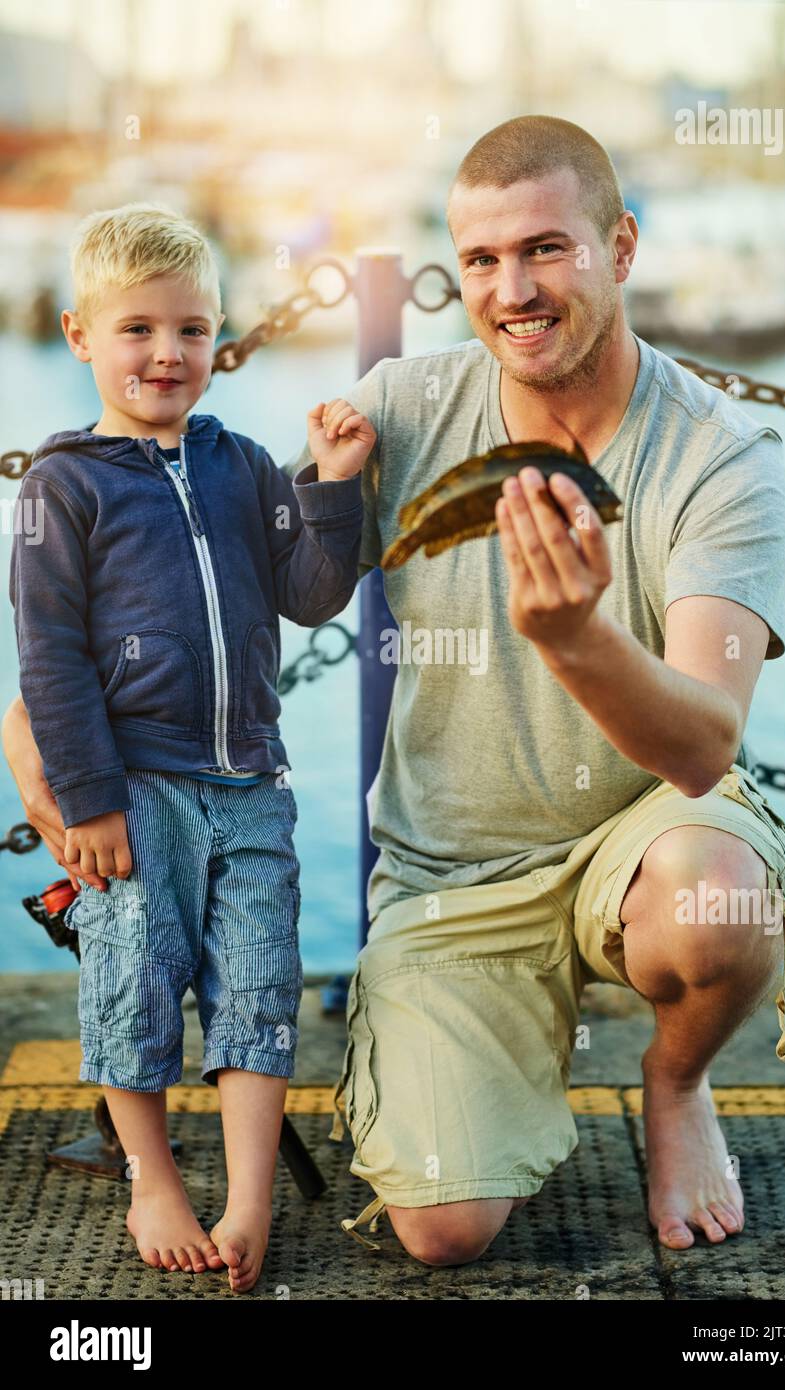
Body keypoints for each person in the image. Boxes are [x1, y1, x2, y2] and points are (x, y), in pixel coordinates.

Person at [306, 115, 785, 1262]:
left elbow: (706, 745)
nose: (512, 289)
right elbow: (242, 584)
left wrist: (576, 637)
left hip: (643, 837)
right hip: (451, 874)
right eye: (482, 259)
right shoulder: (402, 408)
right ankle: (476, 1037)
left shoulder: (722, 457)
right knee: (443, 1230)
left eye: (546, 248)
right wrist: (49, 704)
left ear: (622, 248)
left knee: (713, 894)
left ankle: (676, 1081)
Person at [5, 202, 375, 1291]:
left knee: (260, 983)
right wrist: (88, 796)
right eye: (138, 330)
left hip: (252, 779)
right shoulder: (63, 486)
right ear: (81, 335)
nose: (168, 353)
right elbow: (50, 657)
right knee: (134, 977)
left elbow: (311, 596)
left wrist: (335, 487)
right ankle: (152, 1172)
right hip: (137, 784)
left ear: (218, 336)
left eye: (192, 330)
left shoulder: (247, 465)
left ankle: (252, 1194)